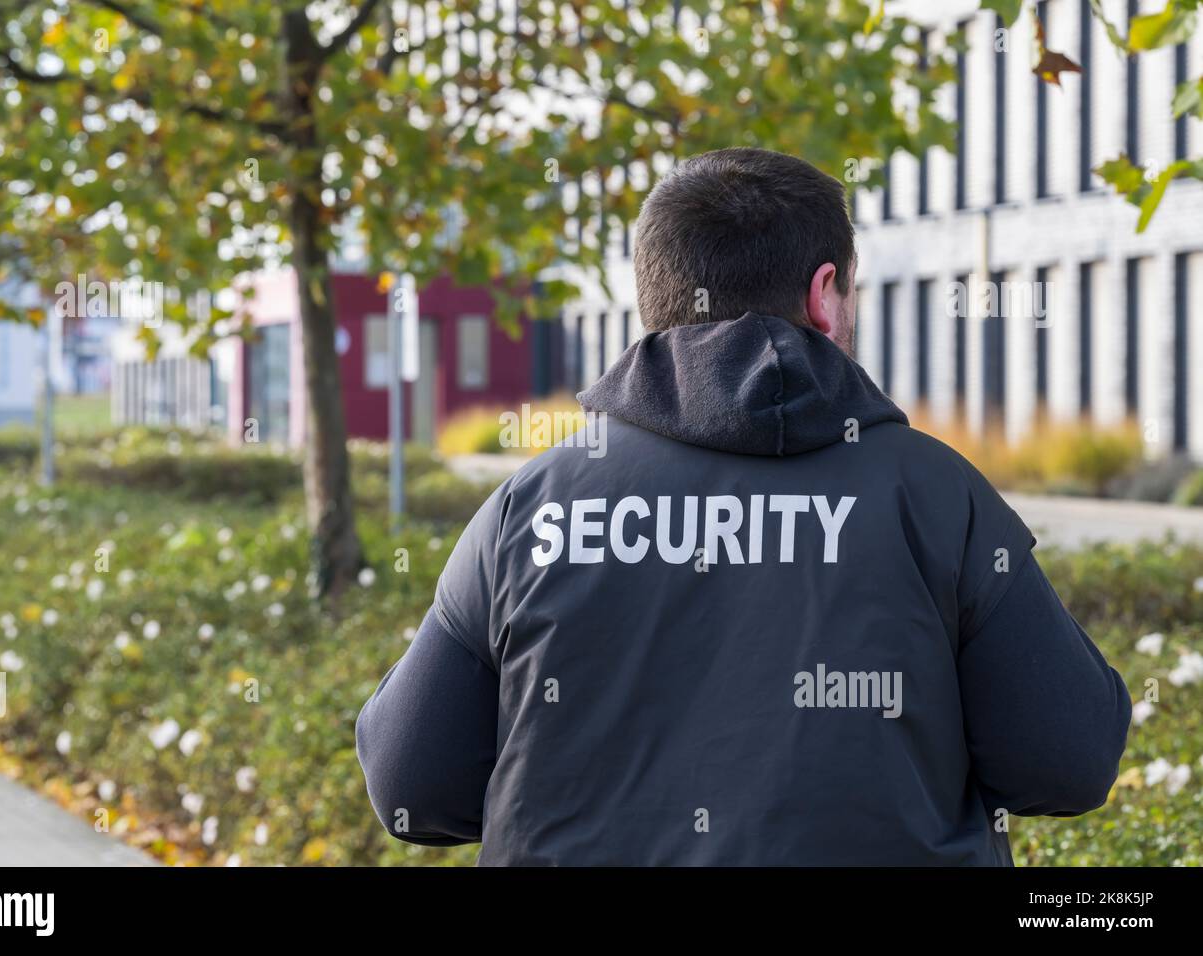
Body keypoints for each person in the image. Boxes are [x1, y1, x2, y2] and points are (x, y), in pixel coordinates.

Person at [355, 147, 1131, 865]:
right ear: (825, 295)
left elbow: (411, 785)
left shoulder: (529, 508)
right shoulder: (935, 495)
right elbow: (1067, 763)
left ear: (653, 297)